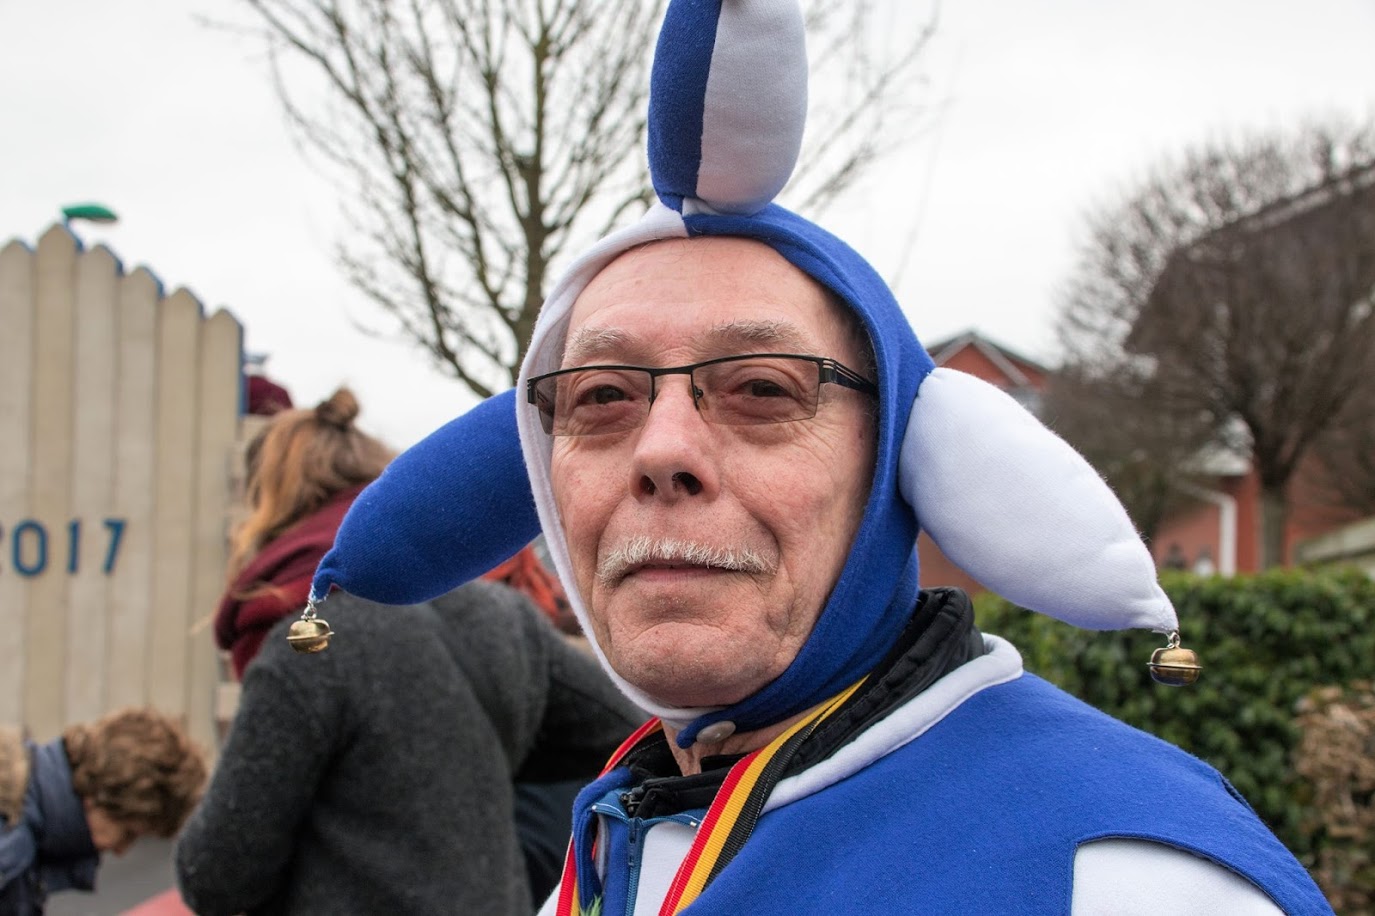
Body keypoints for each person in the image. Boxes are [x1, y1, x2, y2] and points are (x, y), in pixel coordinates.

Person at [307, 1, 1333, 912]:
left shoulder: (1119, 872)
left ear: (893, 456)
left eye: (761, 389)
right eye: (601, 399)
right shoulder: (621, 822)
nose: (661, 452)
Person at [177, 388, 641, 915]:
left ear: (272, 508)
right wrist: (481, 791)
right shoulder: (502, 615)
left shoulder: (308, 647)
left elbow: (215, 876)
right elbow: (625, 730)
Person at [0, 708, 207, 915]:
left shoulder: (18, 790)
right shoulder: (12, 851)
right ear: (98, 797)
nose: (121, 850)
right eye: (129, 833)